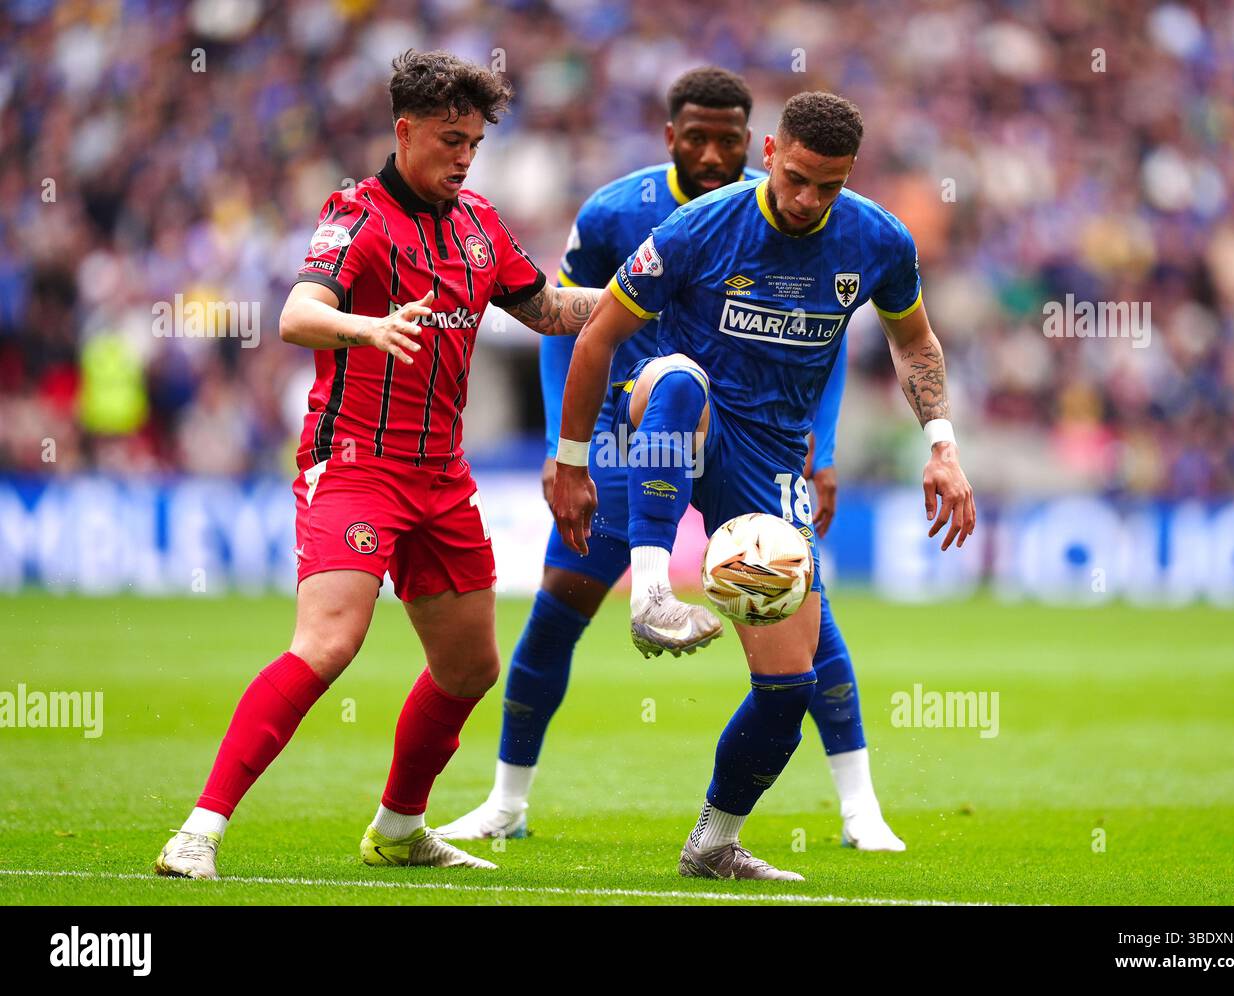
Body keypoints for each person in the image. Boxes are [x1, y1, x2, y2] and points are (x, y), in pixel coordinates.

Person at [153, 50, 602, 880]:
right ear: (405, 132)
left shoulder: (478, 223)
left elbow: (543, 308)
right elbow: (296, 314)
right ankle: (198, 832)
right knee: (328, 644)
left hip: (442, 474)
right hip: (356, 464)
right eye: (449, 138)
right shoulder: (354, 216)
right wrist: (367, 328)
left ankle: (399, 828)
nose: (464, 156)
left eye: (474, 141)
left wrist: (631, 301)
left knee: (470, 667)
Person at [437, 69, 904, 854]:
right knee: (557, 612)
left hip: (751, 441)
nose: (714, 153)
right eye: (698, 136)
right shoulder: (617, 213)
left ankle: (859, 808)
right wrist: (565, 450)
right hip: (633, 434)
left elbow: (820, 345)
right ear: (670, 136)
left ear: (752, 137)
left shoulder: (799, 212)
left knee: (801, 615)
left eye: (728, 138)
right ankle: (505, 800)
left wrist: (818, 449)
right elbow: (566, 330)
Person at [551, 92, 976, 880]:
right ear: (772, 152)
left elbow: (913, 342)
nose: (809, 200)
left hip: (772, 461)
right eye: (799, 179)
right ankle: (650, 592)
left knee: (788, 688)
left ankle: (714, 841)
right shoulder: (700, 227)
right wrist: (572, 460)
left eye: (830, 186)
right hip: (681, 407)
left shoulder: (877, 240)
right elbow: (598, 337)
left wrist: (942, 445)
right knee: (680, 379)